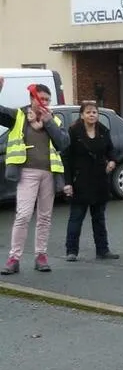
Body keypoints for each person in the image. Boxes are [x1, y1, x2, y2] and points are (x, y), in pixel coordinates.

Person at [0, 82, 70, 274]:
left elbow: (63, 143)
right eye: (42, 99)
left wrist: (48, 122)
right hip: (27, 173)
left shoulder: (52, 119)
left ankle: (41, 256)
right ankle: (14, 258)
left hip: (49, 173)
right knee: (23, 215)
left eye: (48, 100)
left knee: (45, 217)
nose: (46, 103)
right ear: (33, 99)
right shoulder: (19, 115)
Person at [62, 102, 119, 261]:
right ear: (82, 115)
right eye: (88, 112)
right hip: (80, 180)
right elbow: (65, 157)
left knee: (99, 218)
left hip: (100, 180)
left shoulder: (103, 131)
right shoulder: (73, 132)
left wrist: (112, 161)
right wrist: (67, 182)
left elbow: (111, 150)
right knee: (76, 217)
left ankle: (103, 250)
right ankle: (71, 251)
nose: (92, 115)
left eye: (94, 112)